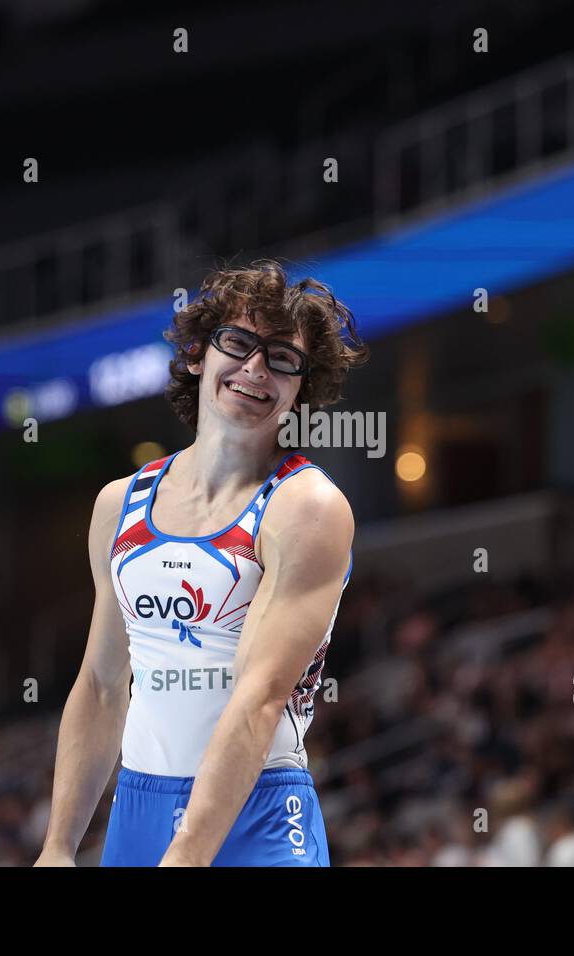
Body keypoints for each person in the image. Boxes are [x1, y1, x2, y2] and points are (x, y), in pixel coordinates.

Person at [35, 259, 367, 867]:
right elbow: (104, 686)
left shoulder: (306, 507)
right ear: (196, 355)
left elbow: (261, 696)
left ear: (300, 390)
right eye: (238, 343)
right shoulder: (120, 505)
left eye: (281, 359)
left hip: (259, 814)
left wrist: (188, 854)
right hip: (137, 813)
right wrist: (59, 847)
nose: (255, 370)